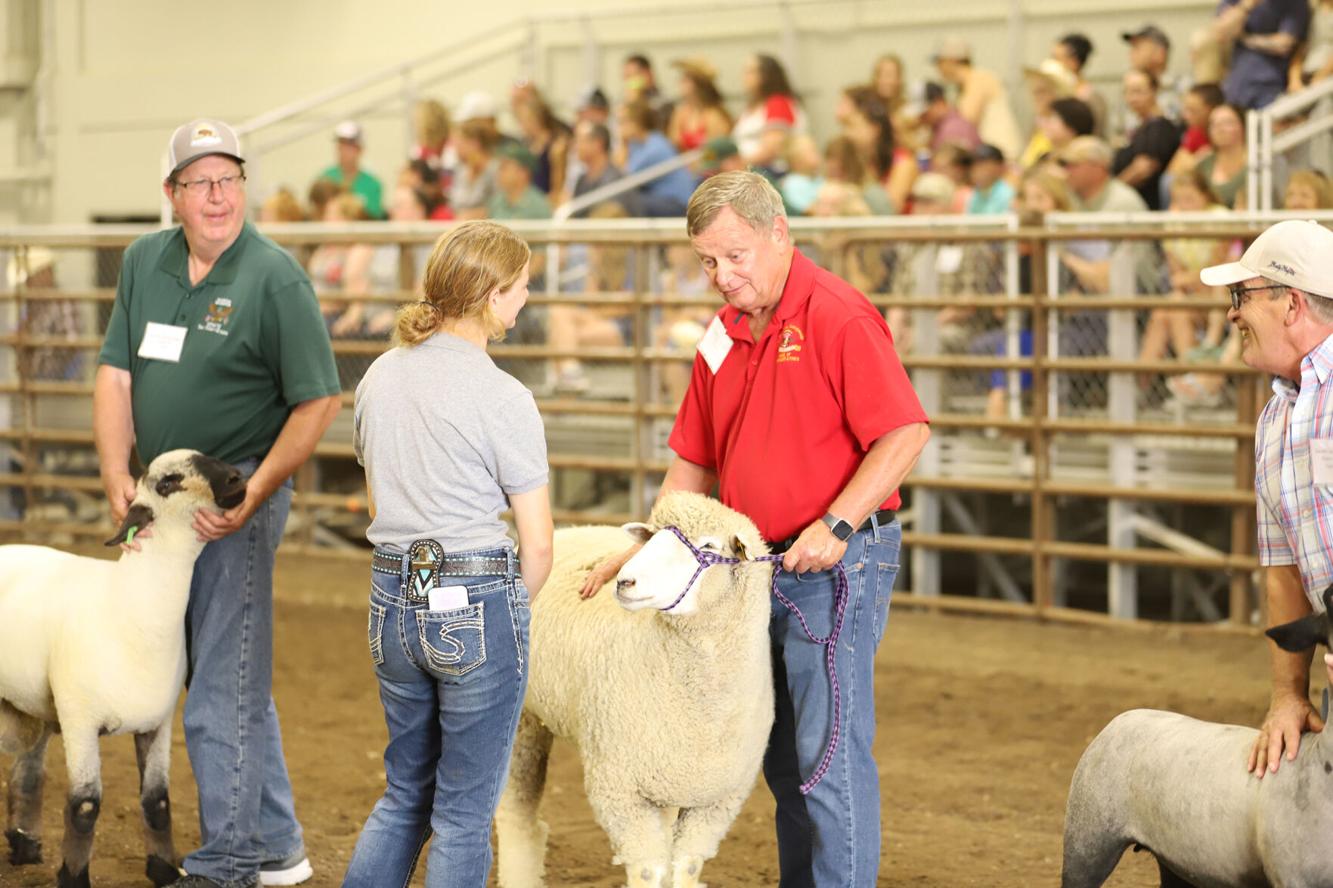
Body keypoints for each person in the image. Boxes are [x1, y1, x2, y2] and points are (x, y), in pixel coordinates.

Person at [579, 170, 930, 886]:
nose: (722, 275)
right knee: (780, 758)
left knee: (826, 755)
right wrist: (645, 545)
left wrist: (836, 522)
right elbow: (692, 459)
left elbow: (903, 433)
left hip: (835, 564)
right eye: (708, 260)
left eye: (735, 255)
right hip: (750, 569)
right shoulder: (721, 332)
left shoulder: (838, 315)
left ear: (779, 234)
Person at [94, 118, 340, 888]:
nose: (217, 196)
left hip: (233, 492)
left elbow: (319, 403)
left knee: (221, 684)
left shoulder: (274, 278)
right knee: (219, 668)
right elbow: (115, 376)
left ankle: (227, 861)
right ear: (172, 195)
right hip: (162, 498)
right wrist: (116, 478)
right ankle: (275, 847)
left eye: (228, 179)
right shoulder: (144, 261)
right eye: (199, 182)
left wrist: (256, 493)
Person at [343, 220, 553, 888]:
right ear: (492, 295)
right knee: (464, 813)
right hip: (473, 596)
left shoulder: (380, 375)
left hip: (391, 594)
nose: (523, 301)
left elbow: (379, 500)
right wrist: (507, 616)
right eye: (519, 289)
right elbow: (538, 542)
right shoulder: (502, 396)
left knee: (405, 791)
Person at [1197, 220, 1333, 778]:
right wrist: (1287, 694)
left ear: (1292, 304)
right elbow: (1283, 569)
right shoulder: (1276, 419)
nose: (1232, 314)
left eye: (1241, 296)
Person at [930, 37, 1022, 161]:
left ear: (951, 60)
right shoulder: (964, 87)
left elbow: (966, 119)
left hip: (1004, 156)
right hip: (990, 157)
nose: (938, 68)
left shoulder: (979, 79)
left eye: (939, 62)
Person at [1214, 0, 1311, 110]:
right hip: (1237, 80)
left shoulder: (1295, 3)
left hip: (1270, 83)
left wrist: (1245, 39)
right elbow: (1221, 33)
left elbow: (1284, 45)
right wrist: (1247, 6)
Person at [1112, 69, 1183, 210]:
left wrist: (1114, 191)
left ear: (1154, 91)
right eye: (1127, 92)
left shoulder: (1159, 127)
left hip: (1147, 207)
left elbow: (1144, 168)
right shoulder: (1139, 127)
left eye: (1138, 91)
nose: (1131, 98)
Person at [617, 99, 698, 216]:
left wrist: (623, 143)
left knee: (629, 202)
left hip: (678, 203)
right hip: (659, 197)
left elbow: (623, 177)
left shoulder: (656, 145)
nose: (620, 127)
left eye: (623, 121)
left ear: (637, 121)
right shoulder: (637, 144)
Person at [733, 53, 807, 173]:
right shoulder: (753, 106)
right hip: (747, 168)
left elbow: (771, 150)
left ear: (765, 75)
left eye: (750, 71)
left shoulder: (778, 104)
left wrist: (737, 164)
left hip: (769, 171)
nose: (744, 76)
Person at [320, 121, 385, 219]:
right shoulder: (325, 178)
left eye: (349, 146)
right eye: (341, 145)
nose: (343, 151)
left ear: (360, 150)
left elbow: (373, 217)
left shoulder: (372, 184)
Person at [666, 57, 733, 153]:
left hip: (710, 166)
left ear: (699, 84)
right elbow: (673, 143)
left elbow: (718, 151)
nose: (680, 82)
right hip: (683, 165)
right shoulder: (680, 113)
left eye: (686, 79)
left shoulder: (714, 115)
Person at [1195, 102, 1249, 208]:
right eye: (1214, 124)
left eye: (1227, 123)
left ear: (1242, 126)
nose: (1220, 129)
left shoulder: (1257, 162)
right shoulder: (1203, 164)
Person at [487, 142, 552, 220]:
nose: (499, 172)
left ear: (522, 173)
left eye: (504, 167)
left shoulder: (538, 206)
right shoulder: (496, 201)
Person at [967, 143, 1015, 214]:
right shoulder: (975, 194)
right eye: (974, 167)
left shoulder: (1008, 194)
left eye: (983, 167)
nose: (977, 172)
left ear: (1000, 167)